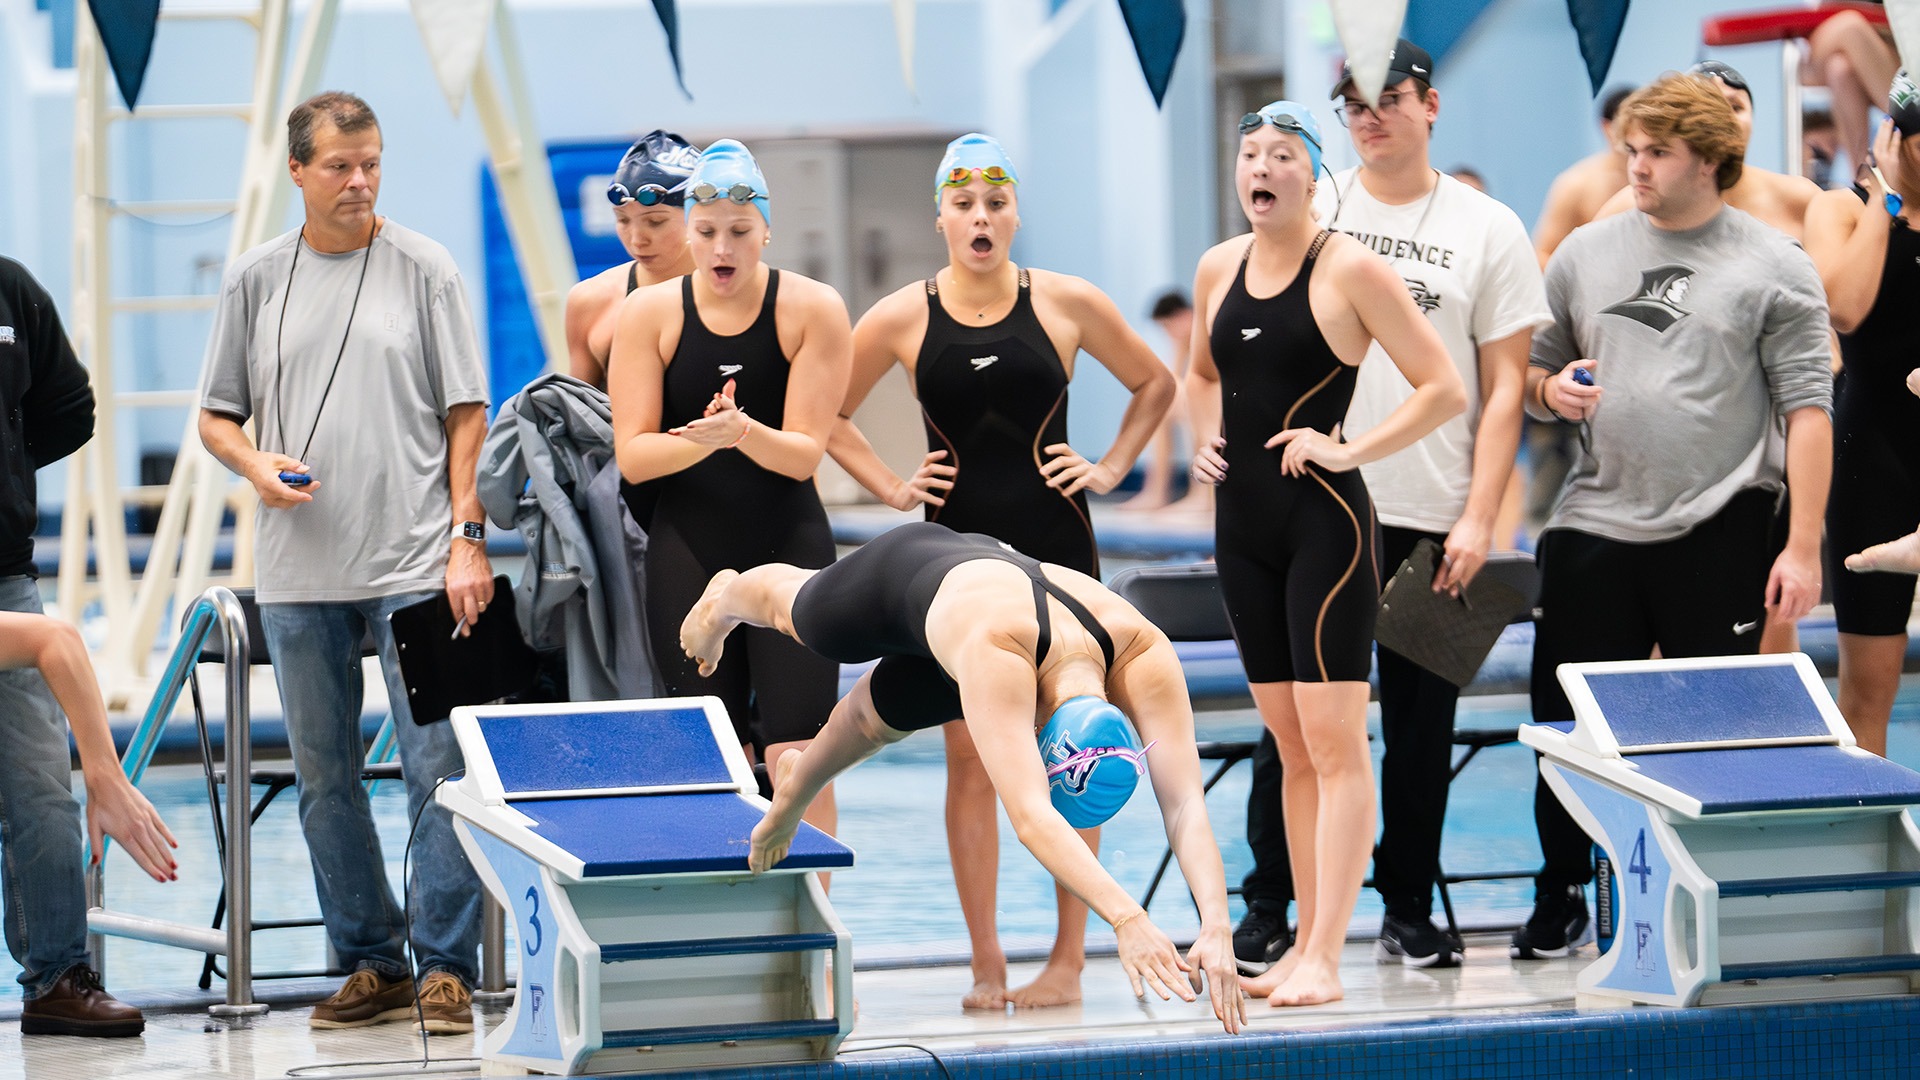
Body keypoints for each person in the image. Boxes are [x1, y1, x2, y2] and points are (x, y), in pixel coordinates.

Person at [824, 133, 1173, 1009]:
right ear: (940, 215)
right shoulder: (901, 315)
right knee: (970, 763)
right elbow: (823, 412)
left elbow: (1155, 383)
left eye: (997, 203)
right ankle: (984, 962)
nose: (981, 219)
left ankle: (1067, 960)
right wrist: (891, 486)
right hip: (954, 564)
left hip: (1059, 547)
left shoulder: (1067, 301)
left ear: (1014, 214)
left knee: (1077, 755)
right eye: (965, 204)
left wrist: (1107, 465)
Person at [677, 521, 1243, 1034]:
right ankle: (728, 595)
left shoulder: (1145, 652)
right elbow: (1030, 816)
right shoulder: (998, 654)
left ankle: (794, 789)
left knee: (877, 722)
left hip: (977, 620)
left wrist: (1215, 922)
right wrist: (1128, 918)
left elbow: (1185, 803)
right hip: (913, 574)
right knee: (802, 616)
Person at [198, 91, 492, 1033]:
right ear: (297, 172)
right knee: (324, 780)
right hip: (298, 575)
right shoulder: (255, 279)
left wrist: (465, 536)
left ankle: (445, 966)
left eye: (371, 162)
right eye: (339, 166)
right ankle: (373, 960)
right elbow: (216, 416)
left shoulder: (426, 269)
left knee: (438, 769)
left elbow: (468, 414)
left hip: (414, 562)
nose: (360, 181)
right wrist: (254, 464)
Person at [1519, 75, 1832, 959]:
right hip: (1596, 519)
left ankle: (1705, 888)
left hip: (1722, 521)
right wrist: (1553, 390)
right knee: (1563, 723)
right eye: (1630, 149)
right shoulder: (1584, 252)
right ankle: (1564, 888)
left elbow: (1809, 410)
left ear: (1709, 160)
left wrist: (1802, 546)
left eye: (1656, 152)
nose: (1636, 167)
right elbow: (1536, 380)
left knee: (1708, 731)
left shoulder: (1774, 262)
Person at [1275, 37, 1547, 970]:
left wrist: (1485, 513)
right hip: (1313, 504)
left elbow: (1506, 386)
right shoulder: (1311, 209)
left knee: (1421, 732)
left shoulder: (1488, 227)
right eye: (1351, 101)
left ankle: (1407, 907)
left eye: (1389, 97)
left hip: (1438, 510)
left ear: (1431, 106)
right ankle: (1275, 902)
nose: (1369, 114)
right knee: (1296, 725)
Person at [1187, 101, 1465, 1007]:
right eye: (1249, 155)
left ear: (1315, 176)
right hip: (1243, 529)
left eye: (1280, 156)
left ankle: (1328, 959)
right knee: (1292, 746)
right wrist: (1202, 438)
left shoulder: (1350, 267)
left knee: (1339, 745)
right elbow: (1201, 375)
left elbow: (1443, 386)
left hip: (1327, 529)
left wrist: (1350, 449)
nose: (1260, 169)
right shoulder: (1216, 268)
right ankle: (1304, 945)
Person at [609, 140, 850, 846]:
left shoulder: (812, 308)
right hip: (688, 546)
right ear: (689, 232)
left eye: (739, 232)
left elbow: (803, 456)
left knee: (801, 752)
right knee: (712, 755)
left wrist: (742, 432)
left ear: (765, 232)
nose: (723, 248)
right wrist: (705, 440)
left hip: (788, 542)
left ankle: (817, 929)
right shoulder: (649, 315)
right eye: (708, 231)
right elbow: (633, 458)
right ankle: (737, 926)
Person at [0, 254, 175, 1037]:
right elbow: (58, 645)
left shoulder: (10, 289)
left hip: (8, 576)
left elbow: (70, 409)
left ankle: (58, 977)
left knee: (41, 790)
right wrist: (107, 776)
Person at [1804, 75, 1920, 757]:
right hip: (1873, 457)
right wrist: (1886, 197)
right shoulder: (1841, 210)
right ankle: (1870, 852)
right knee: (1867, 694)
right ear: (1897, 139)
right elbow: (1843, 307)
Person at [1595, 63, 1823, 241]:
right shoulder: (1629, 207)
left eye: (1735, 107)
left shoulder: (1800, 199)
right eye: (1711, 108)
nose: (1724, 119)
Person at [563, 130, 700, 389]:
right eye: (622, 219)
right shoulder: (591, 301)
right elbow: (578, 416)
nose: (637, 239)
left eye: (655, 222)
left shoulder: (742, 295)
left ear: (699, 216)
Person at [1118, 290, 1208, 513]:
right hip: (1203, 402)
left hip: (1219, 405)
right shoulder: (1183, 342)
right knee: (1162, 409)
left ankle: (1203, 495)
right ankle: (1155, 492)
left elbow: (1208, 381)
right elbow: (1170, 380)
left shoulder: (1206, 332)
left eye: (1168, 326)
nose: (1168, 334)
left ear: (1185, 316)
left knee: (1191, 410)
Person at [1534, 85, 1636, 267]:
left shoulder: (1659, 179)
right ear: (1607, 127)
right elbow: (1543, 254)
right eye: (1628, 125)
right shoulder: (1576, 185)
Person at [1807, 7, 1901, 177]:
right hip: (1871, 45)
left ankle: (1912, 125)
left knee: (1851, 28)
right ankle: (1862, 180)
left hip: (1891, 48)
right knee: (1840, 69)